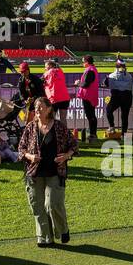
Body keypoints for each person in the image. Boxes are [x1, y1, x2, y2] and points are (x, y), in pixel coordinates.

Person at [18, 97, 79, 247]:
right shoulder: (30, 127)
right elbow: (21, 149)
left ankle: (62, 230)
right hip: (34, 173)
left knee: (52, 204)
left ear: (49, 109)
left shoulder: (59, 127)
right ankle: (45, 237)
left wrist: (66, 156)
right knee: (37, 206)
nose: (37, 110)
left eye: (40, 107)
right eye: (36, 107)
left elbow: (74, 145)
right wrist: (30, 156)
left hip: (55, 171)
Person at [104, 58, 133, 134]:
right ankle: (123, 133)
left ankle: (112, 127)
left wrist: (107, 79)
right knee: (124, 116)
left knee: (109, 110)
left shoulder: (112, 76)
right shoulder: (129, 76)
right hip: (126, 97)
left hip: (117, 97)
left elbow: (106, 84)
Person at [77, 55, 101, 141]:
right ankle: (93, 134)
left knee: (90, 116)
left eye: (83, 61)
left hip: (88, 96)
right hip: (90, 95)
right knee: (91, 115)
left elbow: (85, 84)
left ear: (87, 62)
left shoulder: (90, 70)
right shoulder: (91, 69)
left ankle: (93, 134)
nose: (82, 63)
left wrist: (78, 83)